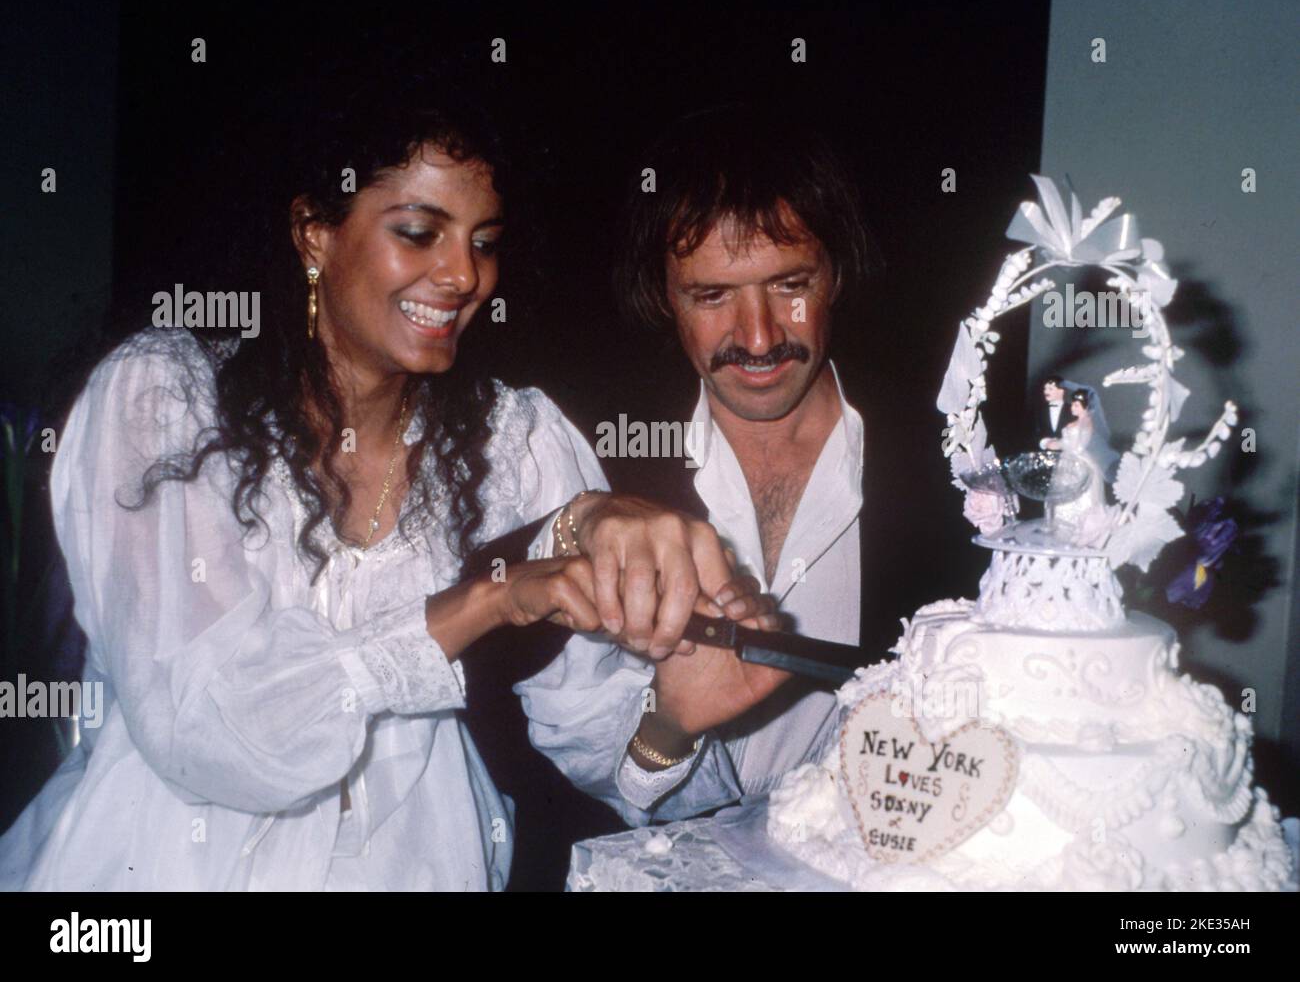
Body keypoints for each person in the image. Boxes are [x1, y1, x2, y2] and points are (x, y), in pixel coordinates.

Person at [0, 81, 779, 891]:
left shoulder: (514, 445)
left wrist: (673, 719)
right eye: (419, 232)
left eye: (484, 241)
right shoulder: (167, 403)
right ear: (313, 232)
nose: (462, 275)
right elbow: (208, 727)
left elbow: (603, 749)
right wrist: (488, 600)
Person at [507, 104, 885, 824]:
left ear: (837, 272)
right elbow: (584, 769)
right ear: (663, 296)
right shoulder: (592, 454)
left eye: (790, 284)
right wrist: (671, 727)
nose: (759, 336)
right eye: (712, 295)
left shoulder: (954, 449)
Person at [1042, 389, 1107, 533]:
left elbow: (1077, 445)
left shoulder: (1086, 423)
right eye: (1072, 405)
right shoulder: (1077, 422)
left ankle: (1077, 528)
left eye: (1076, 405)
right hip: (1068, 459)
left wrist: (1057, 444)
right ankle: (1063, 527)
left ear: (1086, 407)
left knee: (1077, 494)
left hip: (1076, 461)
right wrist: (1056, 442)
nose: (1072, 408)